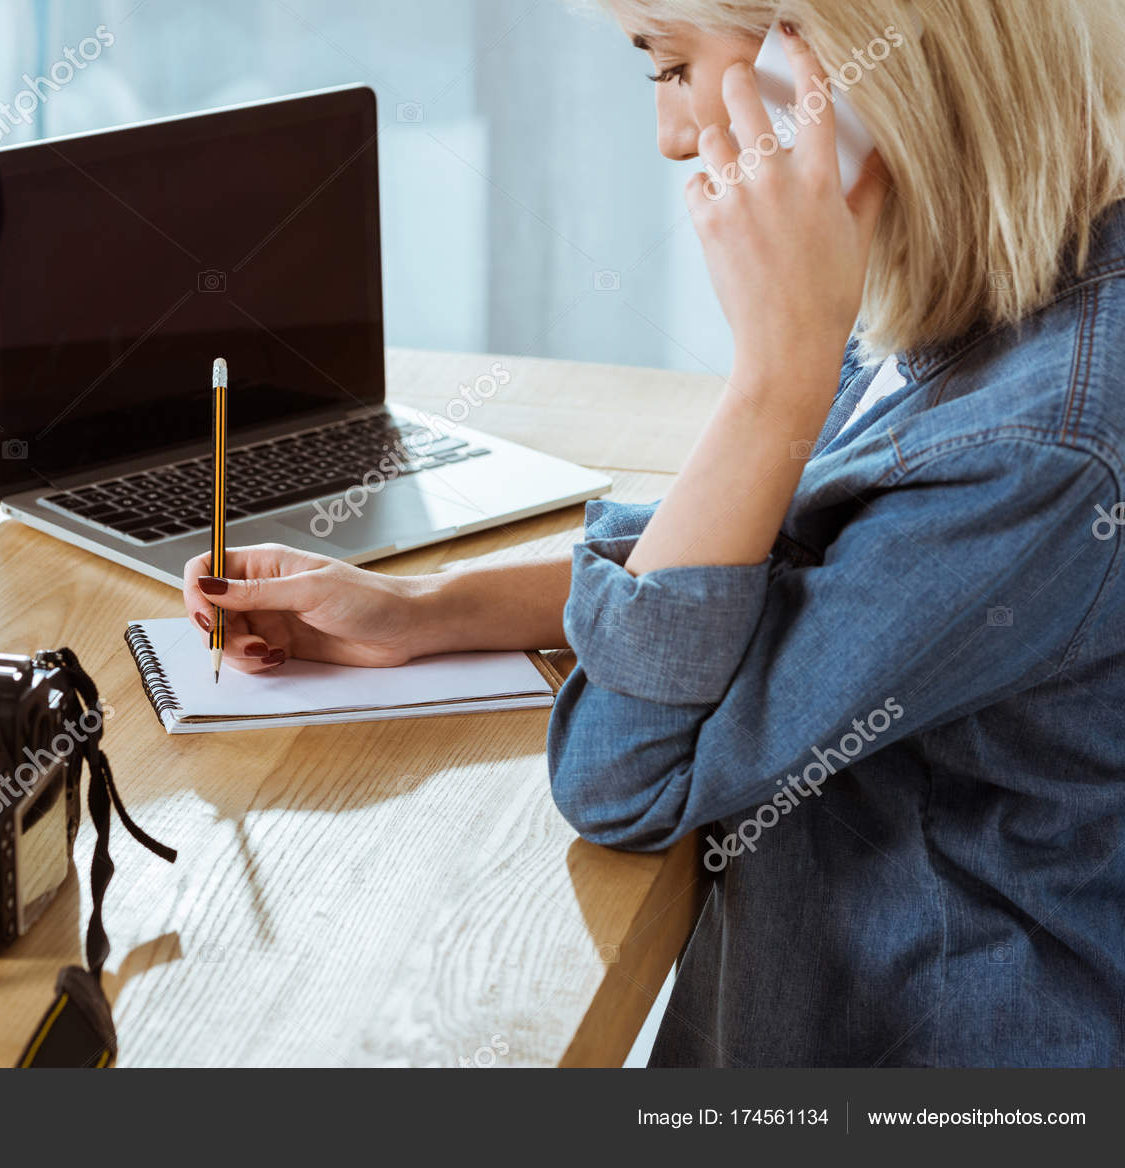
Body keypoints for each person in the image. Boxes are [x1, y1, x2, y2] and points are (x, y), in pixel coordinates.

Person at [180, 0, 1125, 1066]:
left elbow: (623, 772)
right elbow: (787, 566)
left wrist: (774, 376)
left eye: (668, 68)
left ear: (825, 58)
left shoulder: (1038, 450)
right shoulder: (1002, 279)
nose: (673, 135)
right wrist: (424, 613)